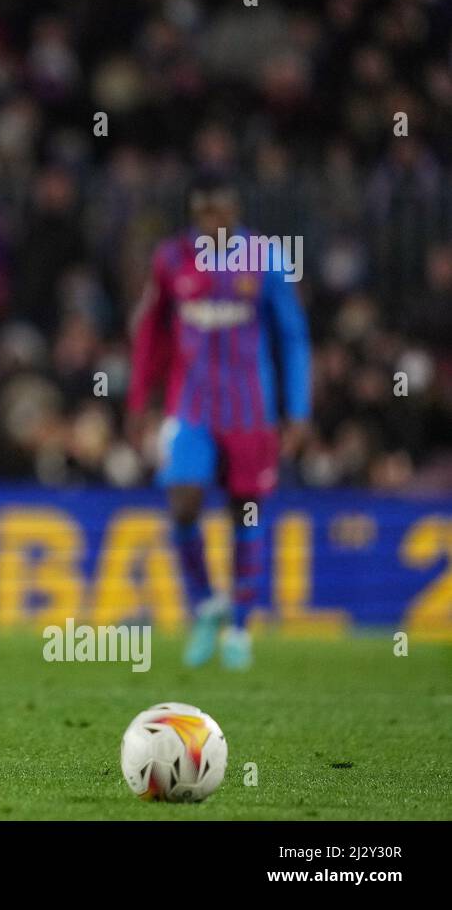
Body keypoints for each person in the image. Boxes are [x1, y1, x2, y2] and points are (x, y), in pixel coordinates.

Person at [126, 173, 309, 669]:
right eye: (203, 212)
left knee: (244, 512)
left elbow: (292, 335)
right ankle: (207, 602)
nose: (212, 221)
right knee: (183, 501)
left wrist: (298, 409)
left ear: (234, 210)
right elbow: (151, 334)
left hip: (251, 409)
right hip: (191, 407)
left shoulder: (266, 256)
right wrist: (140, 400)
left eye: (220, 211)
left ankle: (240, 630)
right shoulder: (170, 259)